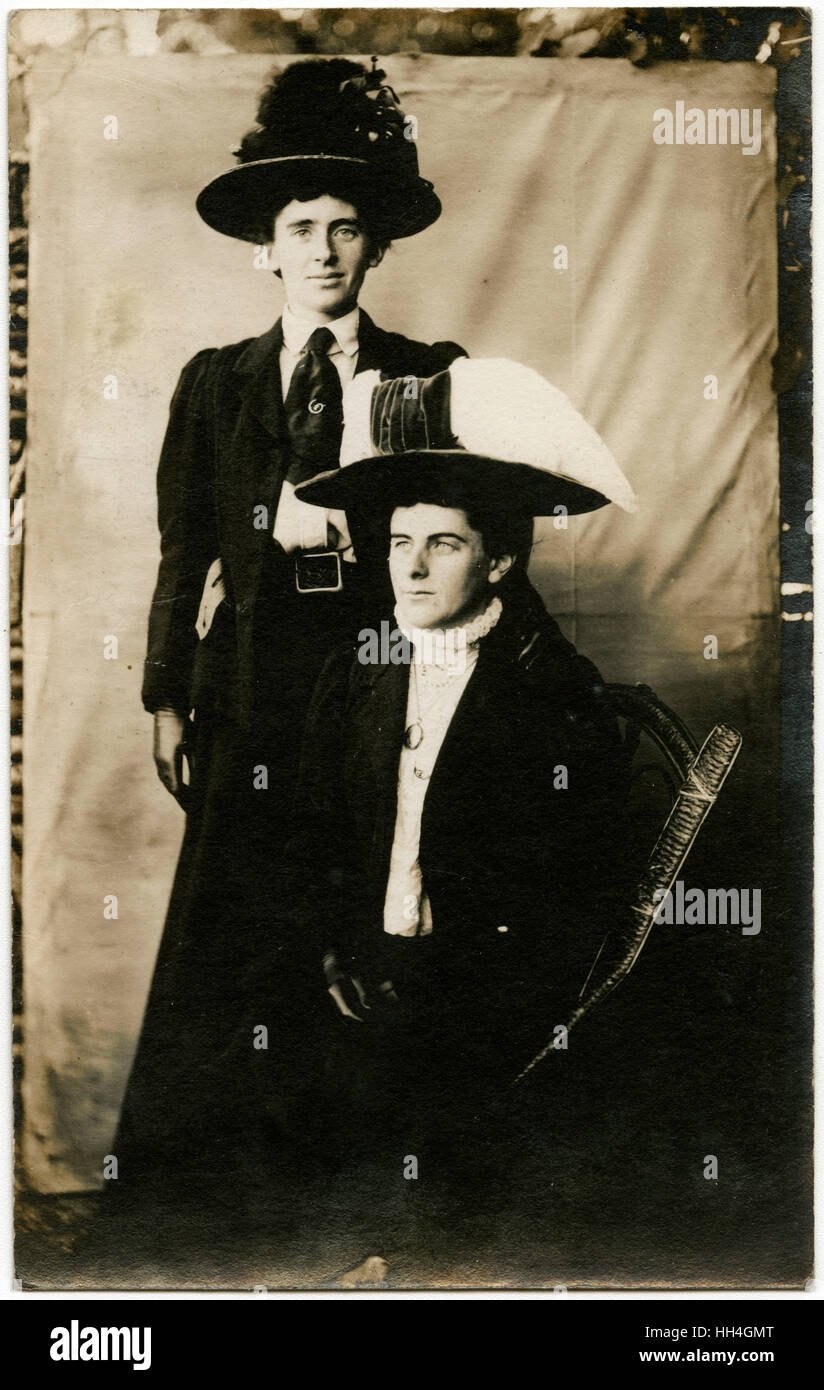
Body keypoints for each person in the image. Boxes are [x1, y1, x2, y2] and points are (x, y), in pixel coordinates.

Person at [112, 58, 466, 1232]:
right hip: (250, 684)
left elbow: (456, 540)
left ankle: (360, 1198)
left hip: (375, 678)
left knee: (361, 916)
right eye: (300, 228)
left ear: (376, 248)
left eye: (346, 229)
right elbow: (181, 552)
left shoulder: (425, 376)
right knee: (239, 925)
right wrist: (168, 697)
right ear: (264, 247)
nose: (323, 250)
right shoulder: (214, 386)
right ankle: (212, 1201)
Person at [284, 357, 638, 1280]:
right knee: (338, 1152)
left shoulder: (549, 690)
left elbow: (578, 873)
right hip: (372, 960)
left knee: (468, 1193)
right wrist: (337, 939)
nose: (411, 564)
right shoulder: (358, 667)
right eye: (400, 540)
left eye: (443, 544)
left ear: (502, 559)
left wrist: (488, 971)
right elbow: (317, 824)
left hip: (487, 982)